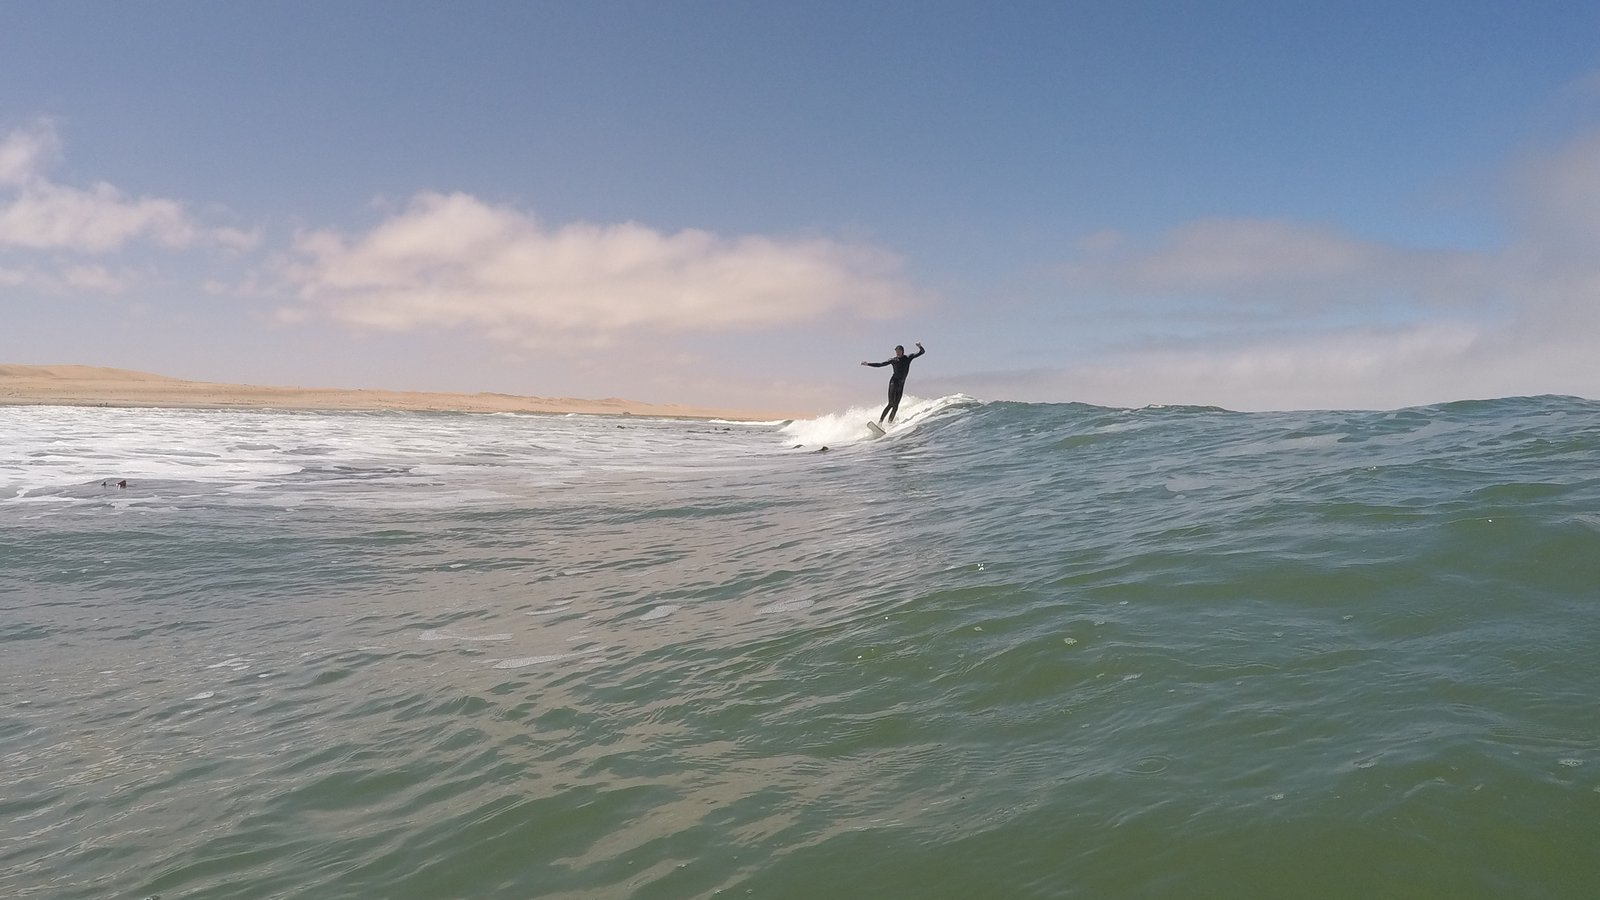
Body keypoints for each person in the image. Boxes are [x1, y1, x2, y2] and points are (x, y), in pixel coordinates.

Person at [860, 342, 925, 424]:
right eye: (896, 351)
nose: (897, 352)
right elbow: (881, 364)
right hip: (893, 382)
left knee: (896, 405)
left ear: (902, 351)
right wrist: (868, 364)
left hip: (901, 384)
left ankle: (889, 424)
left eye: (899, 351)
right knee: (891, 403)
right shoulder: (893, 360)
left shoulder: (908, 358)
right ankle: (880, 422)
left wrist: (919, 346)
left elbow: (922, 352)